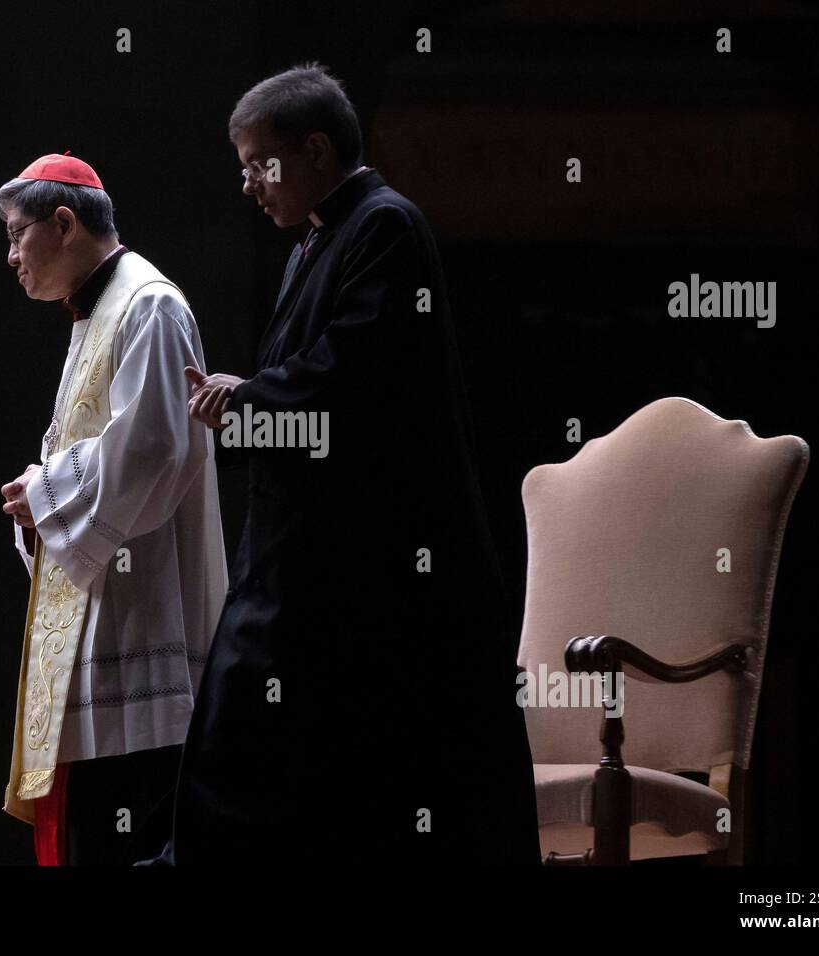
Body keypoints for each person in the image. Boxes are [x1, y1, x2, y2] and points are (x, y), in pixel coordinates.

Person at [159, 64, 541, 864]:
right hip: (309, 551)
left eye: (259, 164)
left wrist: (250, 400)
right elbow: (310, 377)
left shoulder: (383, 227)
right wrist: (248, 394)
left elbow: (352, 379)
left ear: (316, 149)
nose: (248, 187)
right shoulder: (317, 242)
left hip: (370, 567)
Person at [0, 152, 227, 865]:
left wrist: (45, 492)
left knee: (131, 837)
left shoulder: (147, 303)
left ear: (63, 222)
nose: (11, 257)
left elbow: (156, 448)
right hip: (102, 627)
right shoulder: (97, 313)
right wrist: (44, 498)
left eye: (16, 234)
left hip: (142, 629)